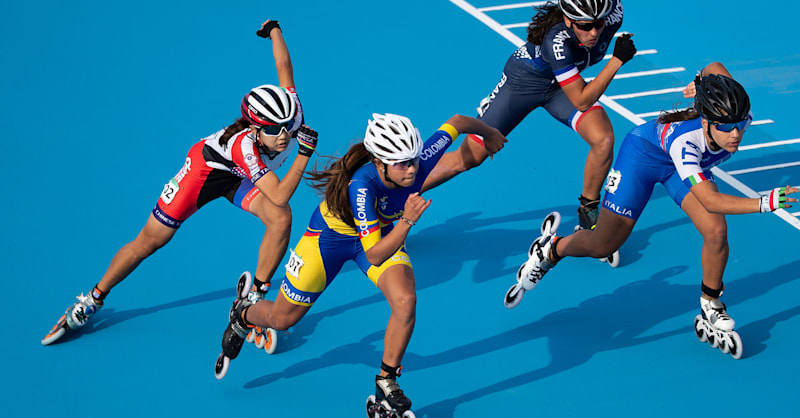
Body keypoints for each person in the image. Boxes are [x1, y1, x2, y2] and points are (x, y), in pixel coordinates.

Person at [41, 20, 318, 346]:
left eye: (287, 126)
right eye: (273, 130)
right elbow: (281, 194)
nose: (284, 135)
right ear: (255, 128)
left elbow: (284, 66)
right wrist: (304, 154)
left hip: (241, 175)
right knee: (150, 241)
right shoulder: (244, 145)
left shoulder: (291, 111)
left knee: (280, 220)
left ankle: (252, 298)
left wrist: (273, 30)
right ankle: (92, 299)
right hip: (206, 171)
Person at [213, 113, 506, 414]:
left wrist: (489, 132)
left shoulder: (416, 161)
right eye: (402, 163)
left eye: (414, 160)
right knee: (283, 319)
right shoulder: (361, 187)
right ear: (379, 163)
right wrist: (407, 220)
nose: (412, 169)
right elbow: (376, 254)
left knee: (405, 300)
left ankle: (386, 381)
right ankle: (244, 315)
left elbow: (456, 123)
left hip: (382, 235)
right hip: (328, 241)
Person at [505, 62, 797, 358]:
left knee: (716, 231)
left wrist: (701, 81)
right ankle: (551, 249)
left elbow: (715, 67)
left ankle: (711, 304)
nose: (735, 133)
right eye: (725, 127)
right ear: (707, 122)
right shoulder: (687, 143)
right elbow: (710, 201)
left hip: (678, 168)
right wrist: (765, 202)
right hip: (641, 159)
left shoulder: (735, 110)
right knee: (603, 244)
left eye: (739, 125)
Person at [424, 0, 636, 230]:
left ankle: (588, 209)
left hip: (561, 87)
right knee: (468, 159)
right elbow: (582, 100)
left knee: (603, 139)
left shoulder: (612, 11)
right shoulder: (556, 41)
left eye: (598, 24)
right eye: (585, 26)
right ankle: (396, 191)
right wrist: (616, 61)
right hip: (523, 84)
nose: (594, 32)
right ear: (568, 20)